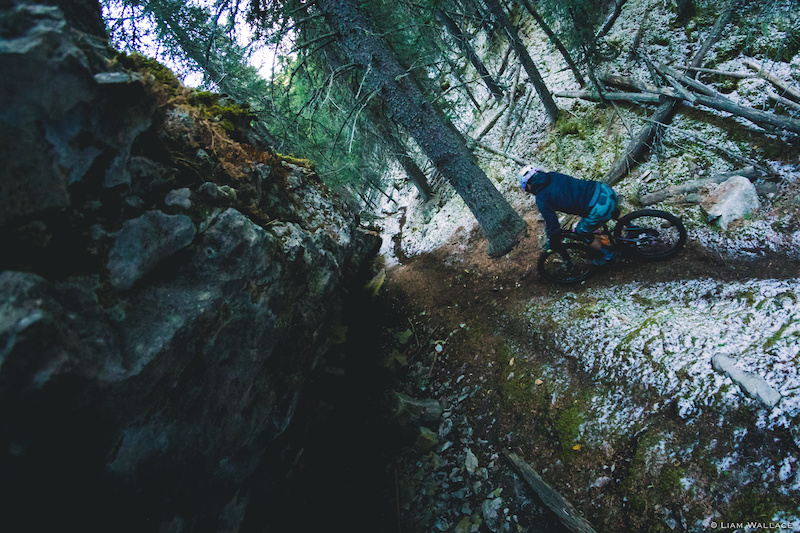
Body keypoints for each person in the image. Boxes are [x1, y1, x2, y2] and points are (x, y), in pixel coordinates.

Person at [518, 165, 618, 265]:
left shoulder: (541, 198)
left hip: (598, 208)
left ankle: (608, 256)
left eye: (527, 190)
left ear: (529, 186)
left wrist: (554, 241)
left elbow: (552, 224)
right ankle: (626, 225)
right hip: (604, 190)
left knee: (581, 232)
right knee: (612, 210)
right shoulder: (552, 175)